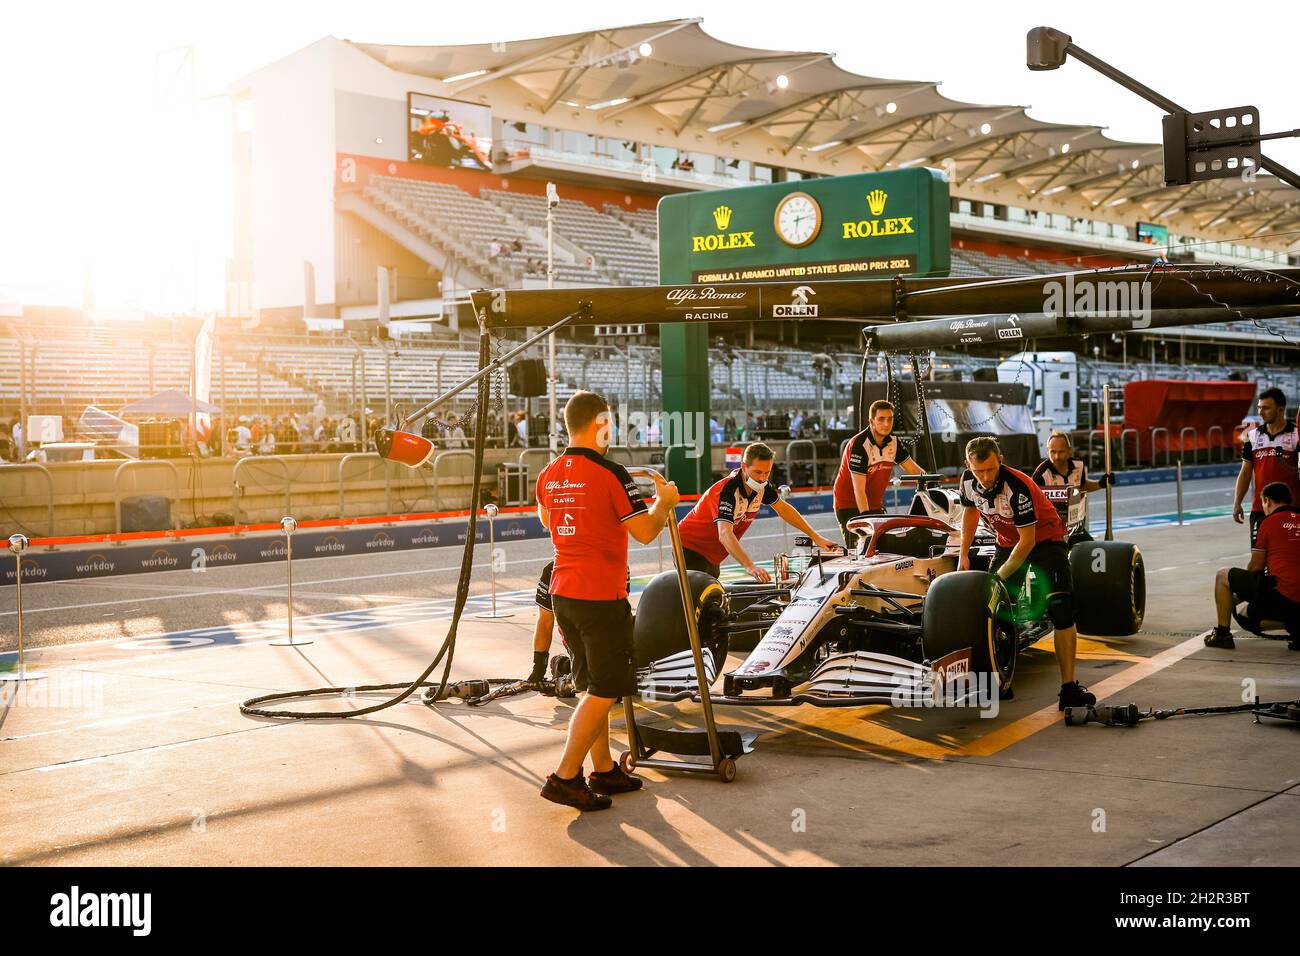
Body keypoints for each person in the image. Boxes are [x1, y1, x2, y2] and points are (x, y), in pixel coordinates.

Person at [535, 391, 679, 812]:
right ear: (600, 423)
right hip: (600, 595)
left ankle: (603, 768)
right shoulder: (611, 473)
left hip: (563, 591)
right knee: (605, 688)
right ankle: (564, 777)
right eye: (610, 422)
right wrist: (664, 502)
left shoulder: (548, 474)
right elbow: (647, 531)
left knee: (589, 684)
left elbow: (548, 520)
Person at [957, 435, 1095, 710]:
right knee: (991, 609)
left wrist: (999, 577)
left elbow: (1028, 542)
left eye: (990, 469)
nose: (985, 477)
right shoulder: (967, 482)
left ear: (1001, 461)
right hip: (1008, 542)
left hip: (1045, 540)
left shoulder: (1016, 486)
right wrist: (963, 554)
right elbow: (970, 514)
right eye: (978, 470)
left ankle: (1068, 688)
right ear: (968, 466)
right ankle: (996, 679)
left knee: (1061, 609)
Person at [678, 442, 839, 580]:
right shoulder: (726, 490)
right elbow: (724, 533)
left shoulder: (763, 487)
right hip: (689, 547)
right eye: (757, 472)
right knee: (693, 605)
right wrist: (750, 566)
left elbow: (783, 509)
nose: (762, 478)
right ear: (743, 467)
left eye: (766, 472)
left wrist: (815, 537)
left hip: (712, 555)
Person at [1209, 481, 1300, 650]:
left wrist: (1235, 598)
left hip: (1287, 595)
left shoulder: (1267, 522)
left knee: (1224, 576)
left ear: (1267, 501)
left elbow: (1256, 567)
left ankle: (1222, 635)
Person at [832, 399, 925, 546]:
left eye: (890, 419)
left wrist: (932, 485)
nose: (886, 424)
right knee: (862, 550)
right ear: (871, 421)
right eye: (881, 419)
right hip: (848, 504)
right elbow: (859, 490)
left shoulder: (894, 442)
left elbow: (914, 470)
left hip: (874, 505)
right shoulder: (859, 445)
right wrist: (867, 521)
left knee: (884, 548)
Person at [1233, 387, 1300, 547]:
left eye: (1266, 408)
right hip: (1260, 509)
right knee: (1259, 558)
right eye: (1259, 408)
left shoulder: (1296, 436)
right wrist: (1237, 502)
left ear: (1281, 409)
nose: (1261, 413)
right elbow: (1245, 472)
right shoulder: (1253, 436)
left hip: (1291, 509)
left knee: (1287, 555)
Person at [1031, 431, 1112, 544]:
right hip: (1050, 531)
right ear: (1047, 451)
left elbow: (1082, 486)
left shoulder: (1078, 465)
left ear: (1069, 451)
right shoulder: (1041, 474)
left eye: (1061, 452)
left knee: (1092, 549)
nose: (1057, 456)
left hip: (1075, 527)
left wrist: (1101, 483)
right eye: (1052, 452)